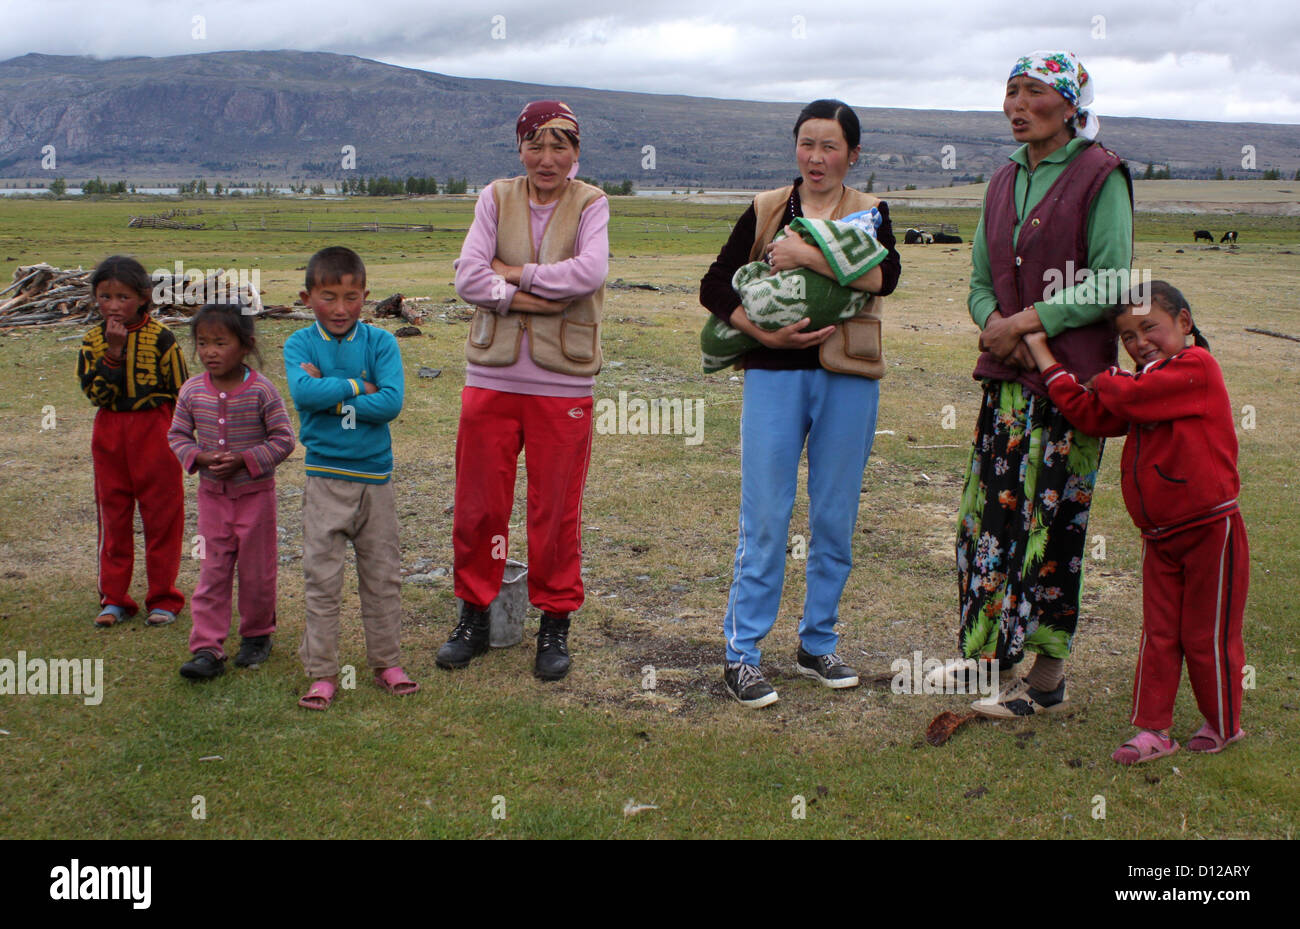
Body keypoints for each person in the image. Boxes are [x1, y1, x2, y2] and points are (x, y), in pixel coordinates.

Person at [700, 99, 901, 708]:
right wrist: (762, 332)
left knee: (834, 518)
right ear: (796, 147)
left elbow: (886, 277)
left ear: (853, 154)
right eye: (807, 144)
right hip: (773, 375)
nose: (817, 157)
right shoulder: (765, 208)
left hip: (849, 377)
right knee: (765, 517)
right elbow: (714, 284)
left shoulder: (871, 212)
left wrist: (806, 257)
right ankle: (743, 655)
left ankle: (818, 643)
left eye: (831, 146)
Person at [950, 51, 1134, 717]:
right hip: (1005, 385)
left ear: (1067, 103)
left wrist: (1029, 323)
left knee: (1053, 520)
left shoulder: (1099, 174)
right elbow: (976, 281)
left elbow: (1112, 279)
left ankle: (1047, 677)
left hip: (1070, 386)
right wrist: (994, 324)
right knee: (993, 519)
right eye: (1010, 91)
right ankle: (995, 659)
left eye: (1032, 93)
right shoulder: (1002, 180)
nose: (1016, 105)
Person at [1023, 282, 1248, 763]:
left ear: (1184, 324)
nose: (1139, 342)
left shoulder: (1196, 368)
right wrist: (1046, 357)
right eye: (1127, 336)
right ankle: (1153, 730)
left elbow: (1126, 394)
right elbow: (1090, 414)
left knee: (1208, 632)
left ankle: (1224, 723)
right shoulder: (1137, 386)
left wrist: (1101, 376)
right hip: (1159, 535)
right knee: (1159, 632)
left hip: (1211, 527)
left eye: (1150, 328)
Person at [440, 100, 609, 682]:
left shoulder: (592, 203)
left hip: (563, 379)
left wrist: (511, 274)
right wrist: (535, 297)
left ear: (576, 152)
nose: (547, 157)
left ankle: (554, 623)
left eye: (559, 145)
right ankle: (475, 614)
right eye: (535, 144)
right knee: (479, 503)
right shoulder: (495, 197)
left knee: (555, 508)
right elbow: (466, 274)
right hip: (491, 376)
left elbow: (588, 274)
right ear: (519, 149)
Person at [282, 247, 417, 709]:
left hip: (375, 481)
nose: (340, 309)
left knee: (383, 576)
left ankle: (387, 662)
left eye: (352, 297)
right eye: (328, 297)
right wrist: (361, 387)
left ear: (366, 296)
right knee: (323, 579)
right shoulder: (300, 344)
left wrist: (329, 396)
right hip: (325, 480)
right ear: (306, 297)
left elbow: (392, 403)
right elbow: (303, 391)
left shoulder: (381, 343)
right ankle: (321, 672)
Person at [168, 304, 295, 680]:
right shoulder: (192, 391)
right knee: (213, 571)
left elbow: (284, 439)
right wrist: (199, 457)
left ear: (245, 345)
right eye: (203, 343)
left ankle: (257, 635)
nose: (209, 351)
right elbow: (176, 435)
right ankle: (207, 647)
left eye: (220, 342)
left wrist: (245, 460)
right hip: (212, 500)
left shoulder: (261, 391)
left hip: (256, 499)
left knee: (257, 573)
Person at [77, 255, 189, 627]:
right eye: (105, 296)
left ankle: (163, 598)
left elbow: (180, 391)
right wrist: (112, 352)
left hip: (155, 430)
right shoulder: (92, 341)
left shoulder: (162, 338)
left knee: (163, 515)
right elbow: (95, 395)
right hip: (110, 431)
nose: (113, 306)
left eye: (122, 297)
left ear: (142, 297)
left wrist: (184, 438)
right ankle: (114, 598)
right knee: (113, 513)